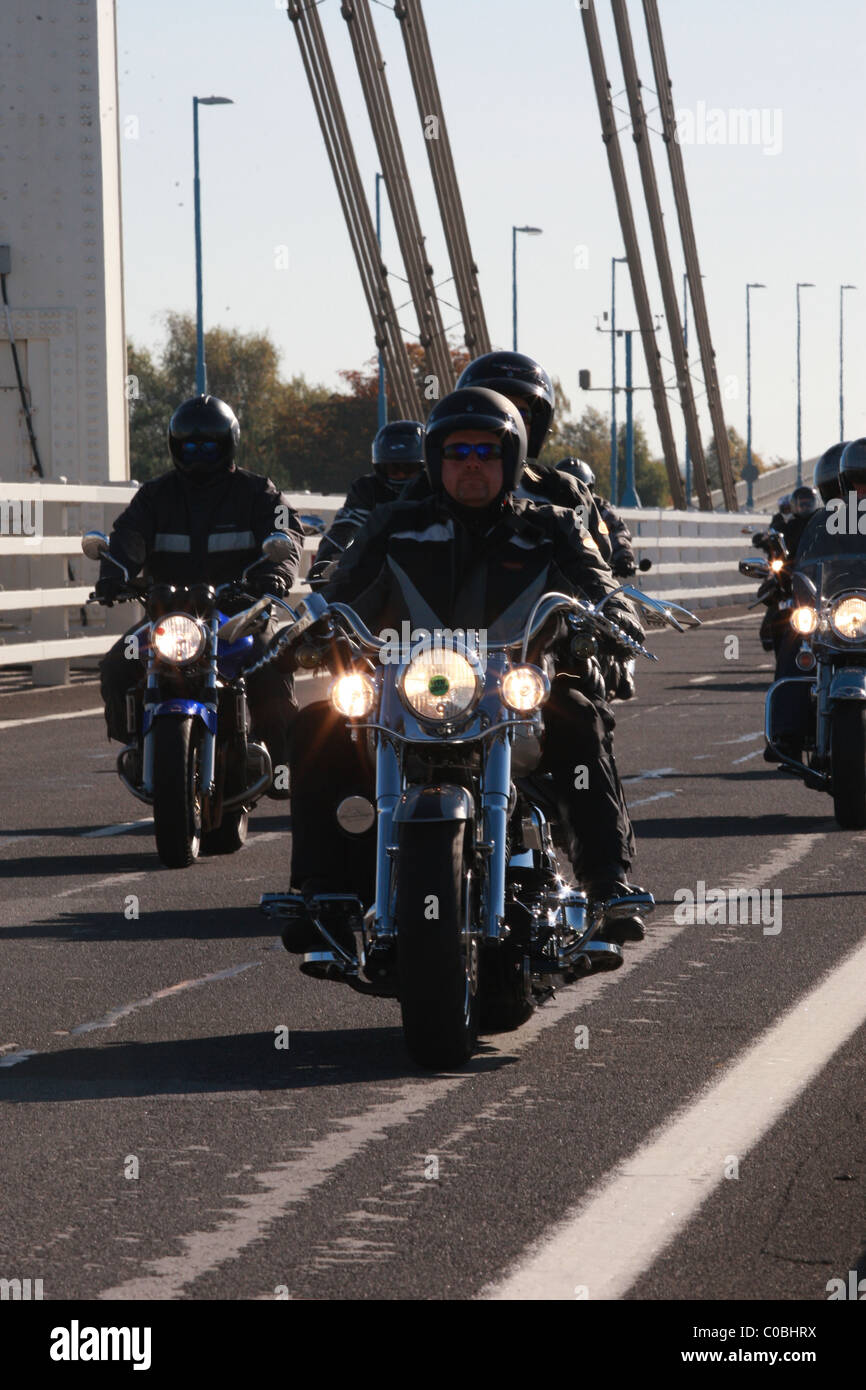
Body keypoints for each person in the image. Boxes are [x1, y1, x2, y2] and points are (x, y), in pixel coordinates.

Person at [286, 387, 650, 950]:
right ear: (436, 461)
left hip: (513, 695)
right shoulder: (394, 524)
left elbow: (597, 582)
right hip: (407, 696)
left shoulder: (550, 527)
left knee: (581, 715)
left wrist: (616, 614)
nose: (472, 465)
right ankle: (323, 890)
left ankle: (607, 884)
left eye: (487, 451)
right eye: (458, 452)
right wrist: (314, 625)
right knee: (317, 724)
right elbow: (343, 591)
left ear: (512, 458)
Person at [96, 395, 303, 794]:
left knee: (269, 659)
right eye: (190, 445)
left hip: (239, 615)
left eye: (209, 445)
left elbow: (286, 534)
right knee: (118, 665)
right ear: (175, 446)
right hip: (169, 619)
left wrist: (275, 574)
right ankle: (140, 743)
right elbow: (128, 537)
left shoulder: (258, 493)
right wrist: (113, 574)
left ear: (228, 444)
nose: (199, 453)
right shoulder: (155, 496)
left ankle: (279, 762)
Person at [766, 444, 860, 763]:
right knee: (796, 643)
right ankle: (787, 731)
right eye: (856, 481)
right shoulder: (821, 522)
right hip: (836, 610)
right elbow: (806, 562)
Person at [309, 420, 425, 586]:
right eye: (393, 469)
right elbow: (346, 527)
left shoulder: (438, 489)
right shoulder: (367, 489)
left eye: (409, 469)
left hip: (432, 575)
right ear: (379, 467)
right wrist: (328, 560)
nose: (400, 474)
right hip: (380, 575)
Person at [557, 457, 638, 578]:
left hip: (594, 572)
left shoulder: (599, 508)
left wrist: (623, 556)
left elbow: (618, 530)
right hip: (554, 574)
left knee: (611, 595)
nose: (574, 496)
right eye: (566, 490)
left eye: (581, 489)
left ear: (589, 489)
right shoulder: (547, 508)